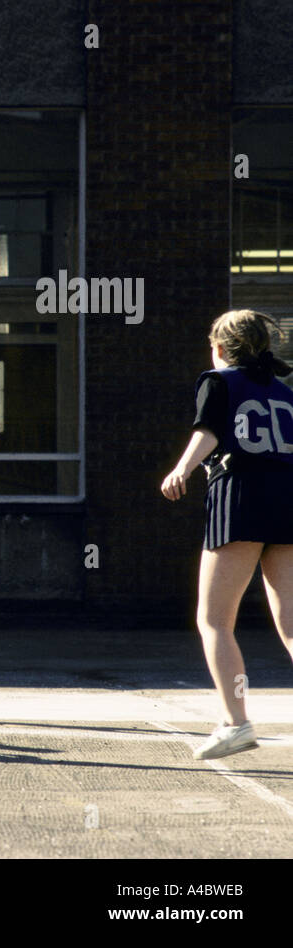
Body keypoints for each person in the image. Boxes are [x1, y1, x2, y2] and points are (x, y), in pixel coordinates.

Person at [160, 309, 293, 760]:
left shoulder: (218, 382)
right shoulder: (285, 393)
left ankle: (236, 723)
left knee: (215, 620)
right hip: (287, 498)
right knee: (291, 622)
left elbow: (210, 431)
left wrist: (182, 468)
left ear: (219, 348)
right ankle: (235, 722)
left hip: (241, 497)